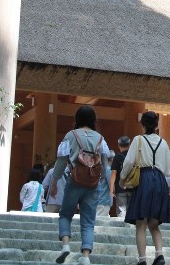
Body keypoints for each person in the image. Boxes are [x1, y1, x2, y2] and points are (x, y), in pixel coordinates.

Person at [49, 104, 110, 265]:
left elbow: (61, 161)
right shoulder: (100, 138)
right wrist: (103, 181)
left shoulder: (71, 135)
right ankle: (85, 256)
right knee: (89, 220)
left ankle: (66, 245)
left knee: (65, 214)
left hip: (74, 180)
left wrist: (54, 181)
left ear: (77, 119)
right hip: (92, 184)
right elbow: (105, 164)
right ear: (93, 120)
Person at [120, 110, 170, 265]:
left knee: (141, 223)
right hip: (161, 181)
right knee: (154, 224)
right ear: (156, 125)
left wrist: (122, 179)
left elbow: (129, 162)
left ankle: (142, 260)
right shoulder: (164, 143)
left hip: (144, 179)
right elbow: (167, 169)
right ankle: (159, 254)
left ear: (142, 124)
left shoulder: (138, 140)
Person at [110, 136, 132, 218]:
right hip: (133, 187)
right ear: (129, 145)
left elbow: (113, 173)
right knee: (131, 210)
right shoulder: (133, 157)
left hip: (120, 187)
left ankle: (122, 227)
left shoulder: (117, 157)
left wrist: (111, 188)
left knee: (121, 211)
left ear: (119, 145)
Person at [96, 147, 114, 218]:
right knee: (100, 221)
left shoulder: (100, 167)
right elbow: (111, 184)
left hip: (98, 198)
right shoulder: (108, 169)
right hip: (104, 200)